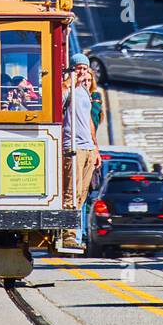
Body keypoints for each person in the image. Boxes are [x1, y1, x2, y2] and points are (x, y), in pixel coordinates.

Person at [61, 53, 100, 249]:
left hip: (88, 148)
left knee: (82, 194)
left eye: (85, 69)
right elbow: (56, 104)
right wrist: (69, 82)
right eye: (79, 69)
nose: (82, 73)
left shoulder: (85, 92)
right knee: (71, 192)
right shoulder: (67, 88)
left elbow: (90, 123)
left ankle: (75, 236)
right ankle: (68, 234)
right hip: (72, 146)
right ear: (72, 69)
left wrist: (96, 149)